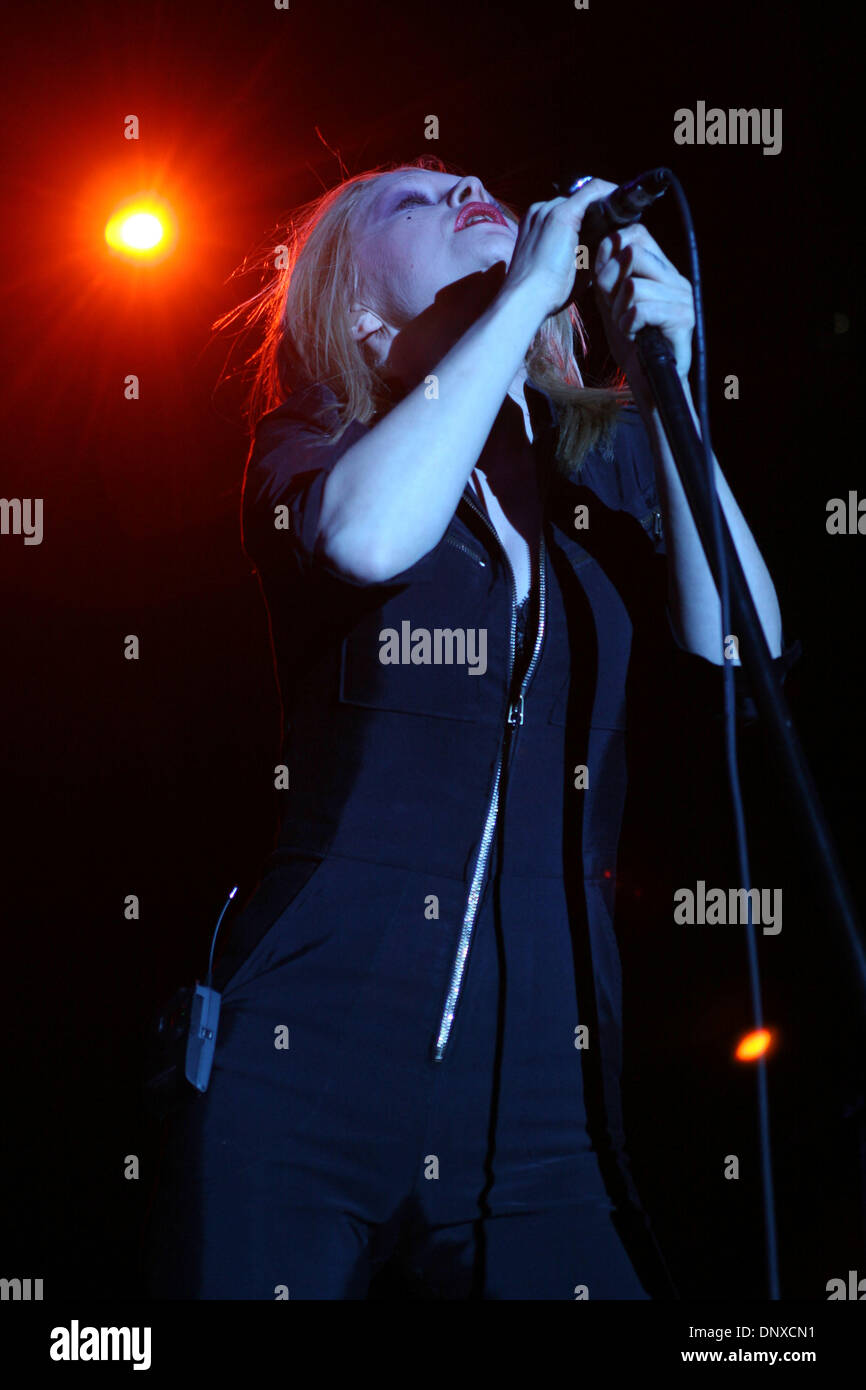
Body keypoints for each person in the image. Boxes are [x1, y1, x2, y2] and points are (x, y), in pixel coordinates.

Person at [143, 155, 798, 1300]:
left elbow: (737, 642)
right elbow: (367, 541)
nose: (460, 195)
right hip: (305, 1050)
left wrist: (670, 381)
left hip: (540, 1080)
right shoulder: (313, 446)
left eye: (469, 183)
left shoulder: (587, 466)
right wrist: (515, 303)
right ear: (352, 305)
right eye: (411, 199)